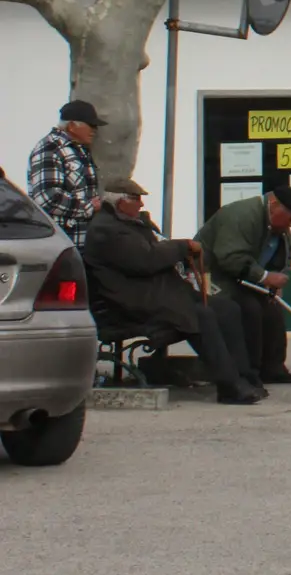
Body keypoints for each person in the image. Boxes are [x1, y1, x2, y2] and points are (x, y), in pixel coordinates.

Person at [83, 181, 262, 404]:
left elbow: (155, 250)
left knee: (226, 308)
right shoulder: (106, 230)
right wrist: (182, 247)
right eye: (136, 199)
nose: (141, 204)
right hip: (131, 303)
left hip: (158, 295)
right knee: (200, 315)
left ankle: (246, 377)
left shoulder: (132, 222)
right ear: (121, 202)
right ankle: (230, 386)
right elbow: (146, 259)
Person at [195, 184, 291, 385]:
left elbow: (288, 252)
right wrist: (264, 277)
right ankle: (249, 371)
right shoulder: (241, 215)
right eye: (290, 218)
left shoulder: (278, 228)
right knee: (250, 309)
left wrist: (279, 278)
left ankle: (273, 368)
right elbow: (229, 257)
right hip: (215, 277)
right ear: (274, 205)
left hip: (246, 278)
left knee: (273, 311)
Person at [27, 100, 103, 247]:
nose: (95, 130)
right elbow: (47, 198)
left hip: (81, 246)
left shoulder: (79, 150)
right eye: (91, 125)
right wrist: (88, 208)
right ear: (72, 126)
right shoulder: (49, 147)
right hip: (61, 246)